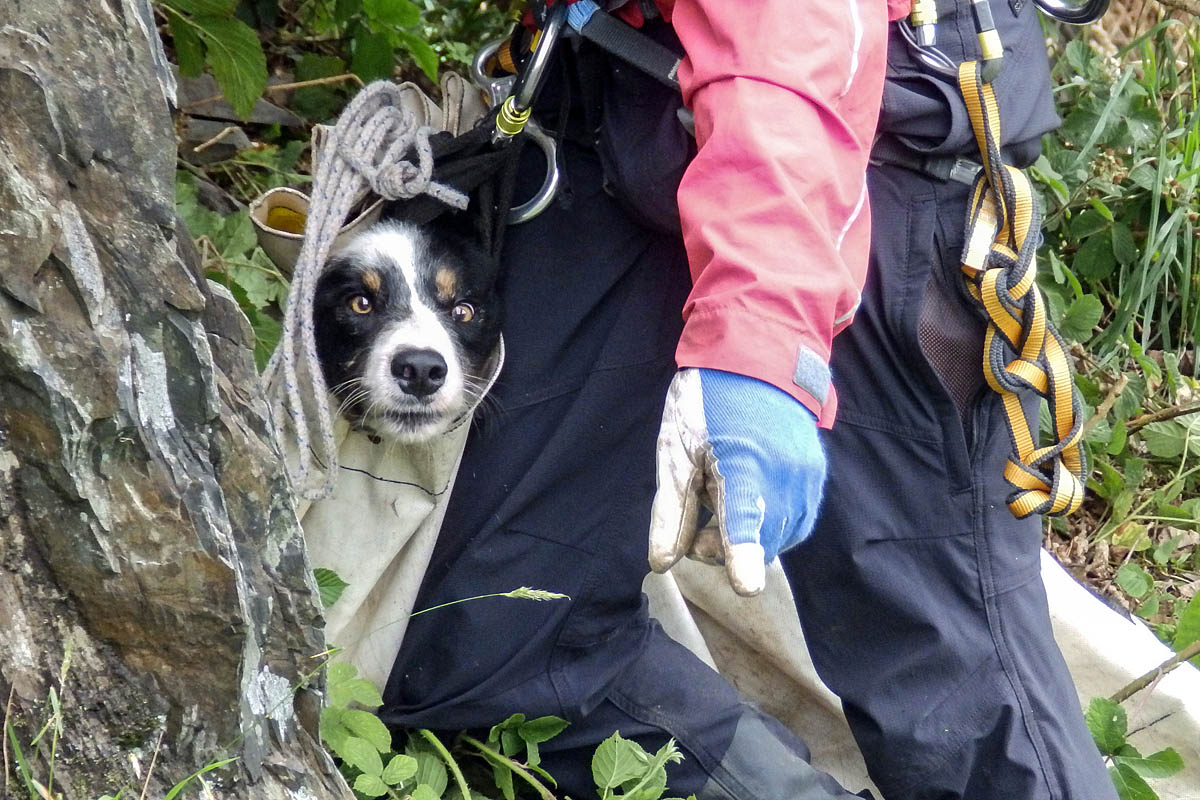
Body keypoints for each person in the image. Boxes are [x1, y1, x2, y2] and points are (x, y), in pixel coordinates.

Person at [374, 1, 1118, 798]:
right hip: (627, 114)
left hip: (843, 146)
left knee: (955, 692)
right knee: (498, 640)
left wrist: (762, 345)